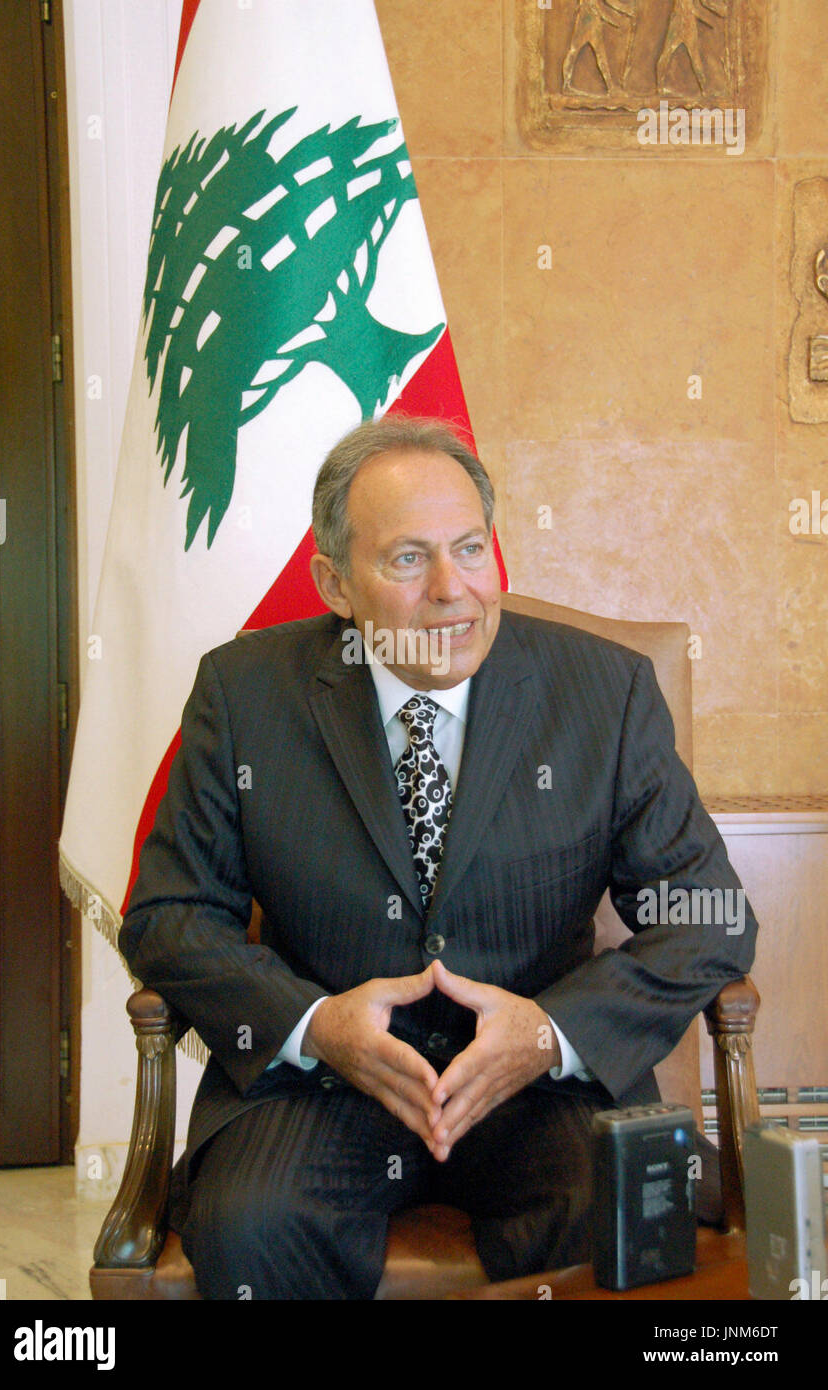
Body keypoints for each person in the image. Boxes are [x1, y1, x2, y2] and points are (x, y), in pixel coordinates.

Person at [119, 414, 757, 1299]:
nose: (454, 590)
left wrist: (548, 1034)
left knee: (622, 1209)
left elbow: (710, 919)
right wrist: (316, 1027)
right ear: (334, 583)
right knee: (250, 1228)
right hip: (325, 1085)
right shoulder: (245, 694)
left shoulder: (603, 695)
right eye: (409, 559)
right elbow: (169, 915)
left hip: (542, 1087)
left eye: (470, 548)